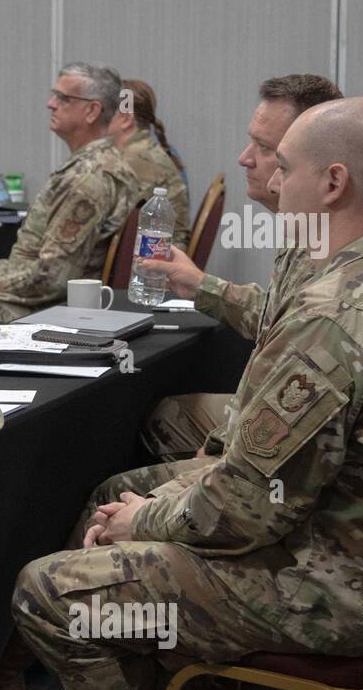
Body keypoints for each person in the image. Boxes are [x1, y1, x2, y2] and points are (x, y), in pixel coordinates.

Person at [11, 97, 363, 690]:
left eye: (282, 168)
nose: (269, 182)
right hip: (359, 555)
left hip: (326, 593)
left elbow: (246, 511)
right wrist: (152, 506)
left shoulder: (335, 316)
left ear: (332, 184)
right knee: (122, 492)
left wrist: (146, 521)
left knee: (52, 594)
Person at [139, 74, 344, 462]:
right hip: (277, 430)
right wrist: (202, 286)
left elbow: (295, 386)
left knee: (109, 499)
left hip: (283, 451)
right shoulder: (310, 228)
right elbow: (280, 317)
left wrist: (217, 451)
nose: (244, 158)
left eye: (266, 149)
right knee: (166, 414)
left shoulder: (332, 252)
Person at [0, 63, 140, 340]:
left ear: (91, 111)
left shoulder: (86, 179)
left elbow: (52, 278)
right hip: (49, 300)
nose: (51, 104)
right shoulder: (106, 163)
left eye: (63, 98)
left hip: (48, 308)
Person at [108, 78, 190, 251]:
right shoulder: (149, 150)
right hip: (162, 254)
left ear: (125, 119)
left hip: (156, 260)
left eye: (106, 111)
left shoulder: (132, 159)